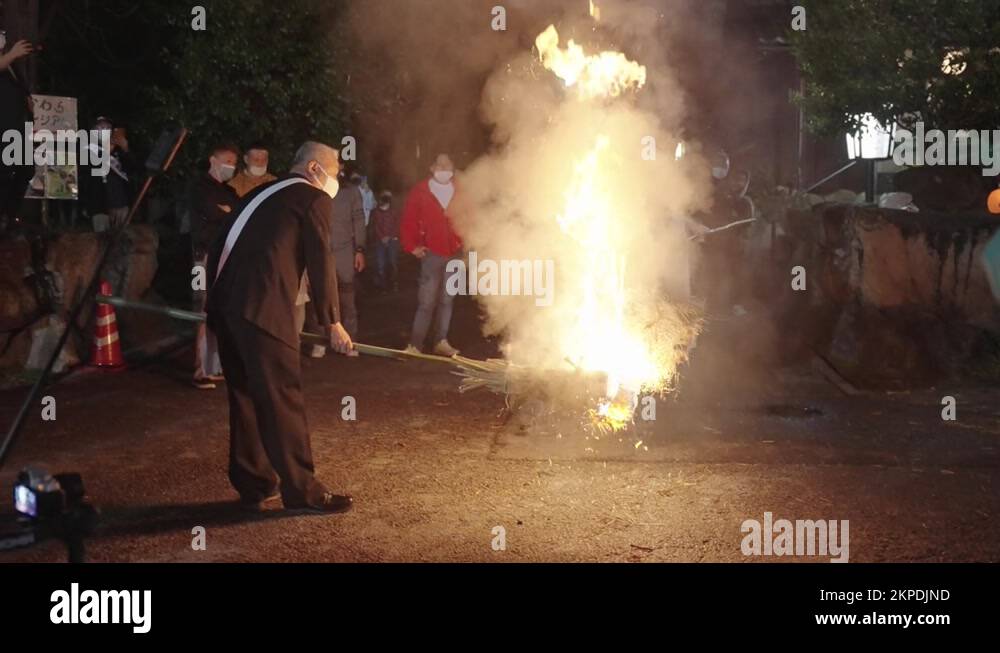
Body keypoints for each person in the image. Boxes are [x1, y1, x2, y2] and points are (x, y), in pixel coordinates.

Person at [206, 141, 353, 514]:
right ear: (315, 169)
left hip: (227, 306)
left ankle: (254, 482)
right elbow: (321, 257)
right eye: (335, 170)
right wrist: (332, 321)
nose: (337, 179)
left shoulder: (262, 193)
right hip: (263, 308)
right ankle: (303, 490)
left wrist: (215, 305)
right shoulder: (311, 197)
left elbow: (220, 241)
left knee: (244, 394)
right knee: (282, 395)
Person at [400, 153, 463, 357]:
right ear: (432, 167)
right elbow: (407, 221)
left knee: (447, 300)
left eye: (448, 164)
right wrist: (412, 247)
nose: (444, 168)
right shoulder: (420, 192)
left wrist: (467, 243)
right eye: (440, 165)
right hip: (432, 255)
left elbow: (470, 216)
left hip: (455, 253)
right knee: (427, 301)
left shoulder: (460, 191)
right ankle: (416, 345)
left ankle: (441, 341)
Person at [189, 144, 240, 389]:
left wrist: (227, 213)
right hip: (203, 256)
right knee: (201, 308)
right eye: (227, 160)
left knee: (219, 309)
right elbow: (218, 214)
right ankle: (200, 370)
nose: (231, 165)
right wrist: (226, 214)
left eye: (234, 161)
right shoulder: (200, 188)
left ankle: (214, 366)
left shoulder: (229, 191)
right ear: (213, 160)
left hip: (224, 256)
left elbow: (234, 214)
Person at [326, 166, 366, 353]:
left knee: (348, 297)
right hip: (322, 251)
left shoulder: (351, 192)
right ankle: (321, 341)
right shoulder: (316, 189)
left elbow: (359, 220)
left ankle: (351, 340)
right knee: (322, 295)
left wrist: (360, 249)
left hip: (344, 250)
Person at [0, 37, 34, 234]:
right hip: (3, 129)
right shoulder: (8, 60)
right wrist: (12, 54)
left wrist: (28, 101)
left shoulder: (12, 66)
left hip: (18, 129)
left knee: (26, 169)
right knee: (4, 173)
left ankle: (9, 215)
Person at [372, 190, 400, 292]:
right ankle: (383, 286)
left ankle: (394, 283)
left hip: (392, 240)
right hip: (380, 241)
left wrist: (389, 236)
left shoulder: (394, 211)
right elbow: (375, 226)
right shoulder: (376, 212)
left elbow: (396, 225)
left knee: (392, 262)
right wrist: (382, 237)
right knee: (381, 263)